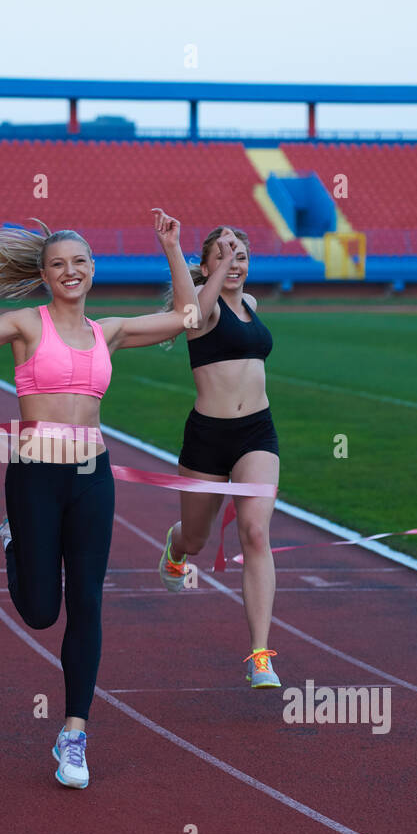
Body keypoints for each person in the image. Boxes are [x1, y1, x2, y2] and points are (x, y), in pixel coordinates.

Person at [0, 209, 232, 788]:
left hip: (92, 476)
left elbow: (187, 316)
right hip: (34, 478)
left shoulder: (108, 332)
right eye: (58, 265)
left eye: (79, 262)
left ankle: (74, 732)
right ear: (45, 276)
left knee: (88, 603)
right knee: (42, 610)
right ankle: (14, 539)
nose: (70, 272)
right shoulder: (26, 324)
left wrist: (171, 247)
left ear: (92, 270)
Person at [156, 226, 282, 689]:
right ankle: (175, 548)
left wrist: (228, 259)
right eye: (226, 255)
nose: (237, 262)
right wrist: (173, 246)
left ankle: (260, 655)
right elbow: (193, 312)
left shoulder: (252, 306)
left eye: (243, 255)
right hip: (207, 438)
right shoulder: (201, 310)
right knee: (197, 537)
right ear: (207, 266)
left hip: (257, 433)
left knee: (254, 531)